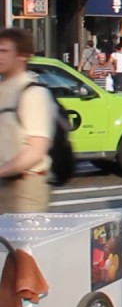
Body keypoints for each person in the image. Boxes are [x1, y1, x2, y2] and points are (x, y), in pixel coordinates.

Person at [0, 28, 56, 212]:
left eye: (4, 51)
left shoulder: (33, 93)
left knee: (22, 232)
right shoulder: (3, 89)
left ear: (22, 56)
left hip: (25, 188)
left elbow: (36, 151)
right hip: (4, 183)